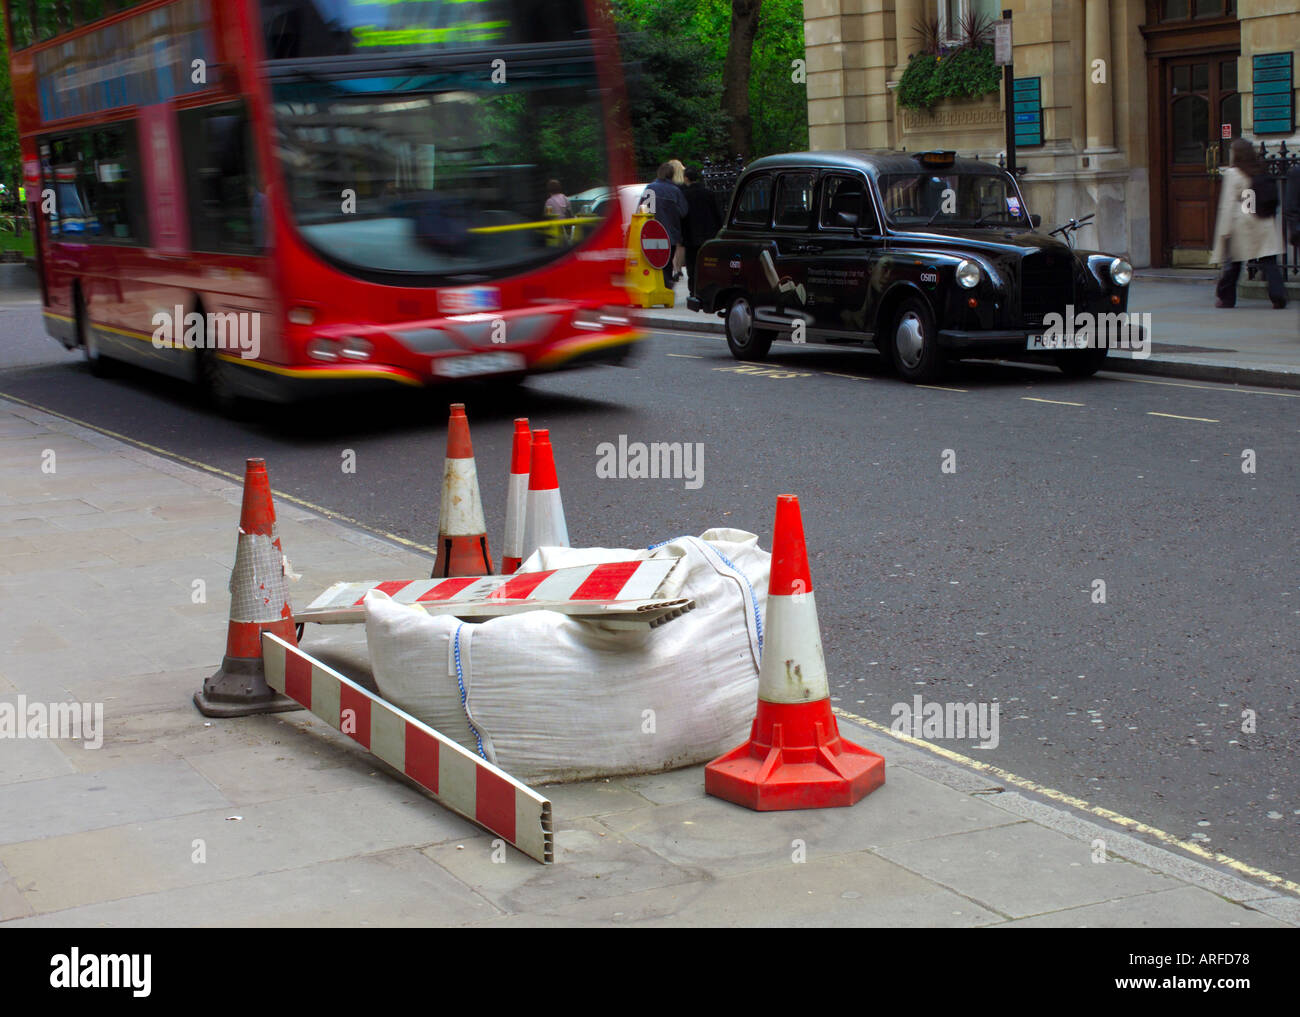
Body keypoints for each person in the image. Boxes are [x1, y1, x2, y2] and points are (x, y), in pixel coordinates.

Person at [1212, 139, 1287, 309]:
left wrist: (1225, 230)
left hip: (1242, 220)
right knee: (1269, 261)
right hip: (1263, 220)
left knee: (1234, 262)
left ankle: (1226, 298)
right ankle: (1278, 296)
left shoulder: (1234, 173)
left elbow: (1228, 203)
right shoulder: (1259, 168)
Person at [640, 163, 688, 288]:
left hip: (652, 231)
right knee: (667, 261)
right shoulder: (675, 191)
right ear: (671, 175)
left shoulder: (650, 188)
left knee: (653, 261)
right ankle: (667, 285)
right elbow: (683, 212)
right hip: (671, 233)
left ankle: (656, 285)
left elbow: (642, 209)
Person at [682, 165, 722, 299]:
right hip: (708, 234)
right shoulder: (708, 193)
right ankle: (708, 288)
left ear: (686, 178)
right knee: (708, 263)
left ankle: (694, 290)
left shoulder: (685, 195)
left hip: (691, 234)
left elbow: (682, 215)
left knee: (692, 264)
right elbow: (717, 213)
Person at [543, 179, 571, 245]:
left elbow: (548, 215)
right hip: (566, 227)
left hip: (555, 229)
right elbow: (569, 213)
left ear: (548, 189)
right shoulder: (566, 198)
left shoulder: (549, 201)